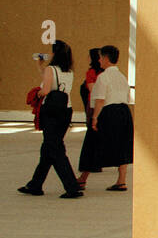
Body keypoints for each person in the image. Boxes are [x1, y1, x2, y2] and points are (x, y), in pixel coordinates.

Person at [17, 40, 83, 199]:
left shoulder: (50, 69)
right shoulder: (69, 71)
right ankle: (35, 184)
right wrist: (41, 68)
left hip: (51, 112)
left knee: (55, 149)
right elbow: (53, 81)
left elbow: (46, 89)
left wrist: (37, 94)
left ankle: (71, 186)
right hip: (65, 110)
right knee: (49, 148)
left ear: (55, 53)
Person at [90, 45, 133, 191]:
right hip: (124, 112)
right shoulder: (122, 77)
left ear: (106, 58)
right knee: (123, 145)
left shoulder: (103, 77)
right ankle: (121, 180)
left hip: (109, 112)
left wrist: (95, 117)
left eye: (100, 57)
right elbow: (127, 96)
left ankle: (83, 178)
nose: (99, 60)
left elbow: (100, 100)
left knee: (94, 143)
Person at [75, 47, 105, 189]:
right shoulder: (106, 73)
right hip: (104, 106)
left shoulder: (92, 73)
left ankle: (85, 175)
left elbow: (94, 92)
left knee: (91, 139)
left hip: (94, 108)